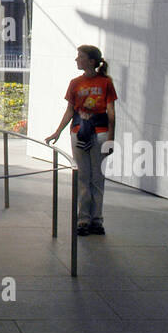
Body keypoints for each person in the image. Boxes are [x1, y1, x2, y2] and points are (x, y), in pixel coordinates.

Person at [45, 44, 117, 236]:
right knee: (83, 176)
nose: (77, 60)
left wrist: (111, 137)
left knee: (97, 178)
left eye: (80, 56)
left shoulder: (106, 83)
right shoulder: (75, 83)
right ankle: (83, 219)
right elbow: (70, 110)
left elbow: (111, 111)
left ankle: (97, 220)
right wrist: (57, 132)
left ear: (91, 61)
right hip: (79, 130)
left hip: (100, 131)